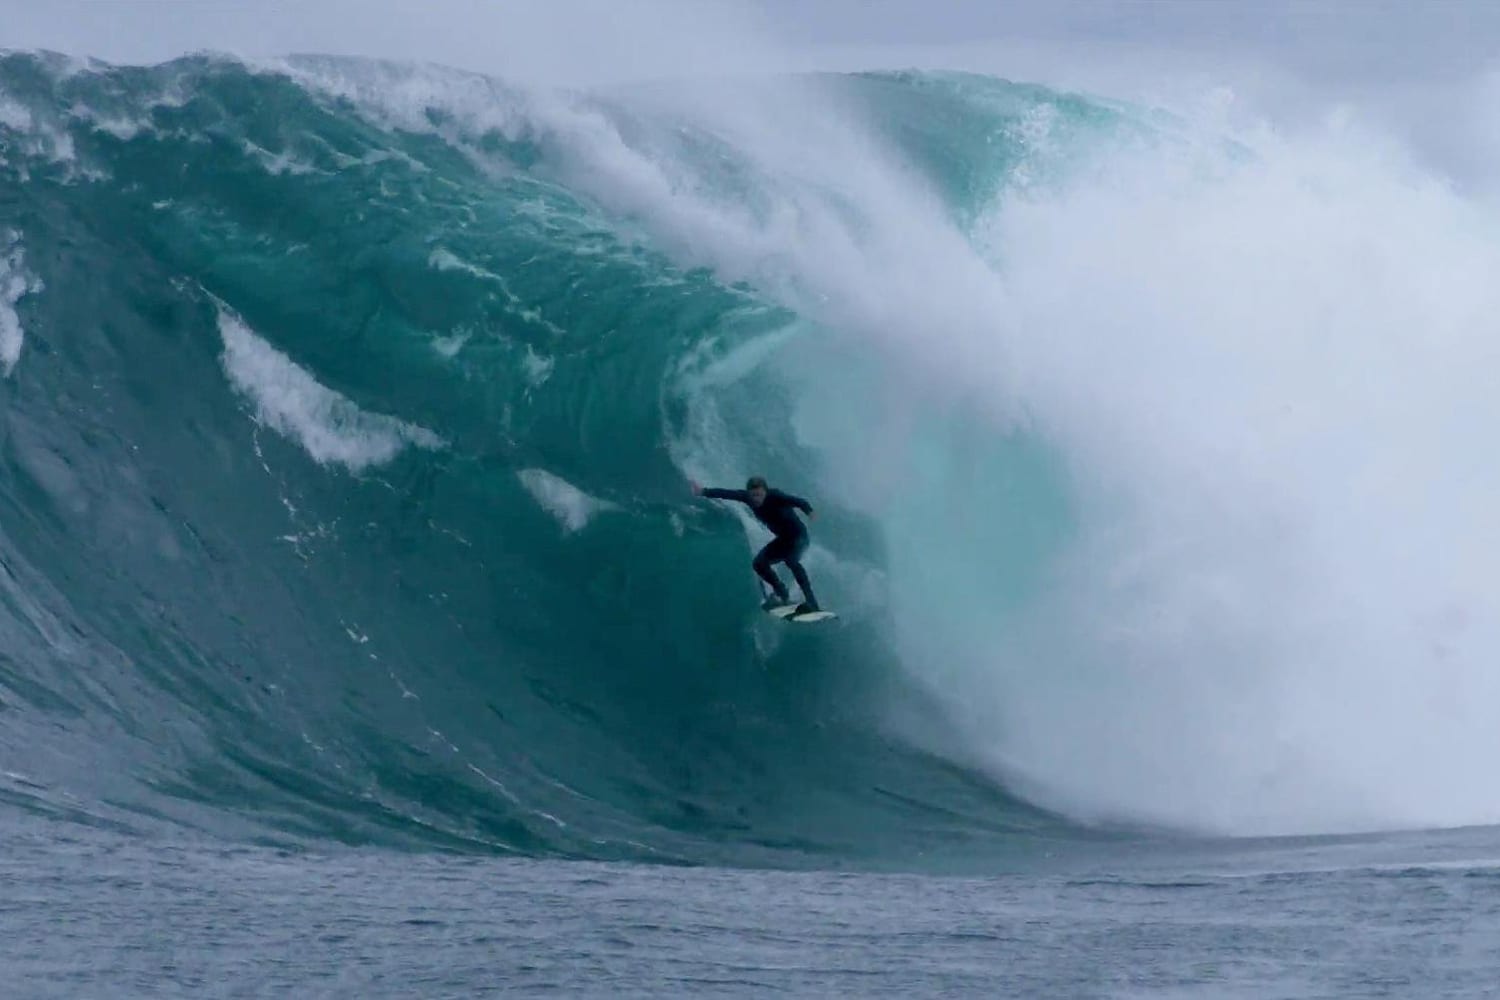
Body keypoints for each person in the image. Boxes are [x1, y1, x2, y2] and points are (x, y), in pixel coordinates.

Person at [691, 476, 820, 613]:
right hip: (783, 540)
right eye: (753, 495)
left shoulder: (775, 496)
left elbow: (799, 502)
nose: (756, 499)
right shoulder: (747, 498)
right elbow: (727, 493)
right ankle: (782, 593)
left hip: (798, 536)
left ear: (766, 491)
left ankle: (812, 602)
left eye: (759, 495)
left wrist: (809, 511)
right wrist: (703, 491)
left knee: (791, 561)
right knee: (759, 564)